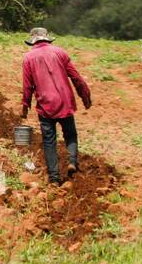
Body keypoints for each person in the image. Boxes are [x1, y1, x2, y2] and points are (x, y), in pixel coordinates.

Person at [20, 27, 92, 185]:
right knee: (70, 134)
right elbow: (76, 77)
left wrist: (25, 105)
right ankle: (72, 162)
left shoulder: (28, 58)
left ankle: (54, 178)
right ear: (47, 38)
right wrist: (85, 95)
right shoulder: (60, 53)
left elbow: (27, 86)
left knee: (49, 141)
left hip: (45, 106)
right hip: (65, 101)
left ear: (33, 41)